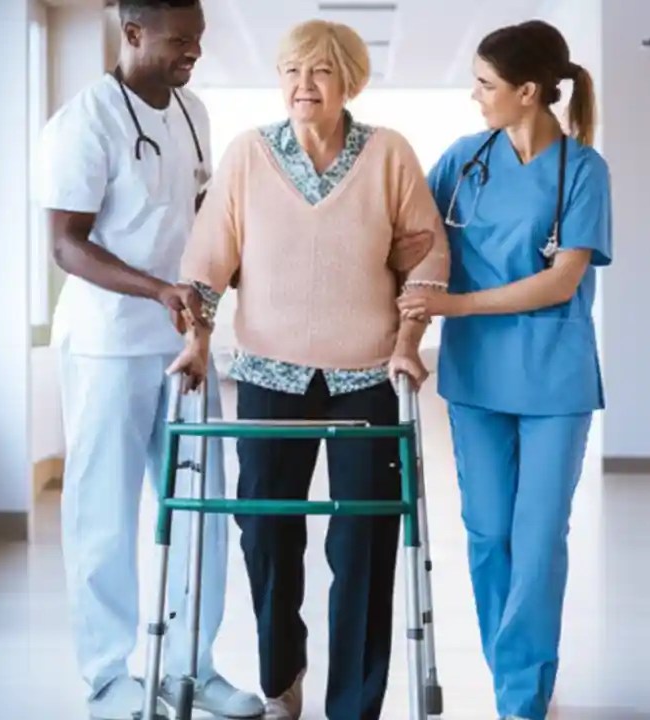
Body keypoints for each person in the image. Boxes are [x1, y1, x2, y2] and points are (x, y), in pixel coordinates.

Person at [168, 19, 449, 720]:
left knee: (364, 540)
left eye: (320, 72)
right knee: (266, 532)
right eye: (293, 71)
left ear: (349, 80)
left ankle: (353, 705)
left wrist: (410, 337)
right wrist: (197, 339)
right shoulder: (248, 155)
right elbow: (207, 264)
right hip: (268, 372)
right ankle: (280, 668)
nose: (304, 86)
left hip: (366, 377)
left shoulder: (388, 154)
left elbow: (424, 254)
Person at [35, 1, 262, 718]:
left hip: (185, 342)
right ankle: (108, 677)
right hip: (107, 342)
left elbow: (196, 213)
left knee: (201, 505)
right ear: (132, 35)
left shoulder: (194, 112)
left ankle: (190, 667)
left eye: (198, 39)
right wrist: (156, 287)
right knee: (102, 514)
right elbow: (67, 244)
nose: (192, 51)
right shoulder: (84, 121)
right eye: (177, 40)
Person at [397, 19, 612, 720]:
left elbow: (558, 283)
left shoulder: (582, 171)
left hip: (554, 379)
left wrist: (455, 304)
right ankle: (510, 674)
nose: (475, 96)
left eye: (486, 85)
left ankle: (521, 696)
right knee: (490, 534)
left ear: (527, 92)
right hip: (477, 380)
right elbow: (412, 240)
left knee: (540, 534)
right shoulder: (464, 160)